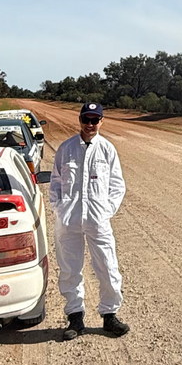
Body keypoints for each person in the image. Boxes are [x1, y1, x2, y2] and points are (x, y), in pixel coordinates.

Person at [49, 102, 129, 340]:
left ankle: (110, 315)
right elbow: (55, 183)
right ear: (80, 120)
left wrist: (105, 211)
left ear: (101, 121)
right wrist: (60, 209)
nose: (90, 124)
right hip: (69, 221)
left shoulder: (107, 150)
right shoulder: (66, 149)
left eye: (95, 120)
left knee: (108, 266)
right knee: (70, 269)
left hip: (97, 220)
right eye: (86, 119)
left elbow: (117, 186)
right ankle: (75, 317)